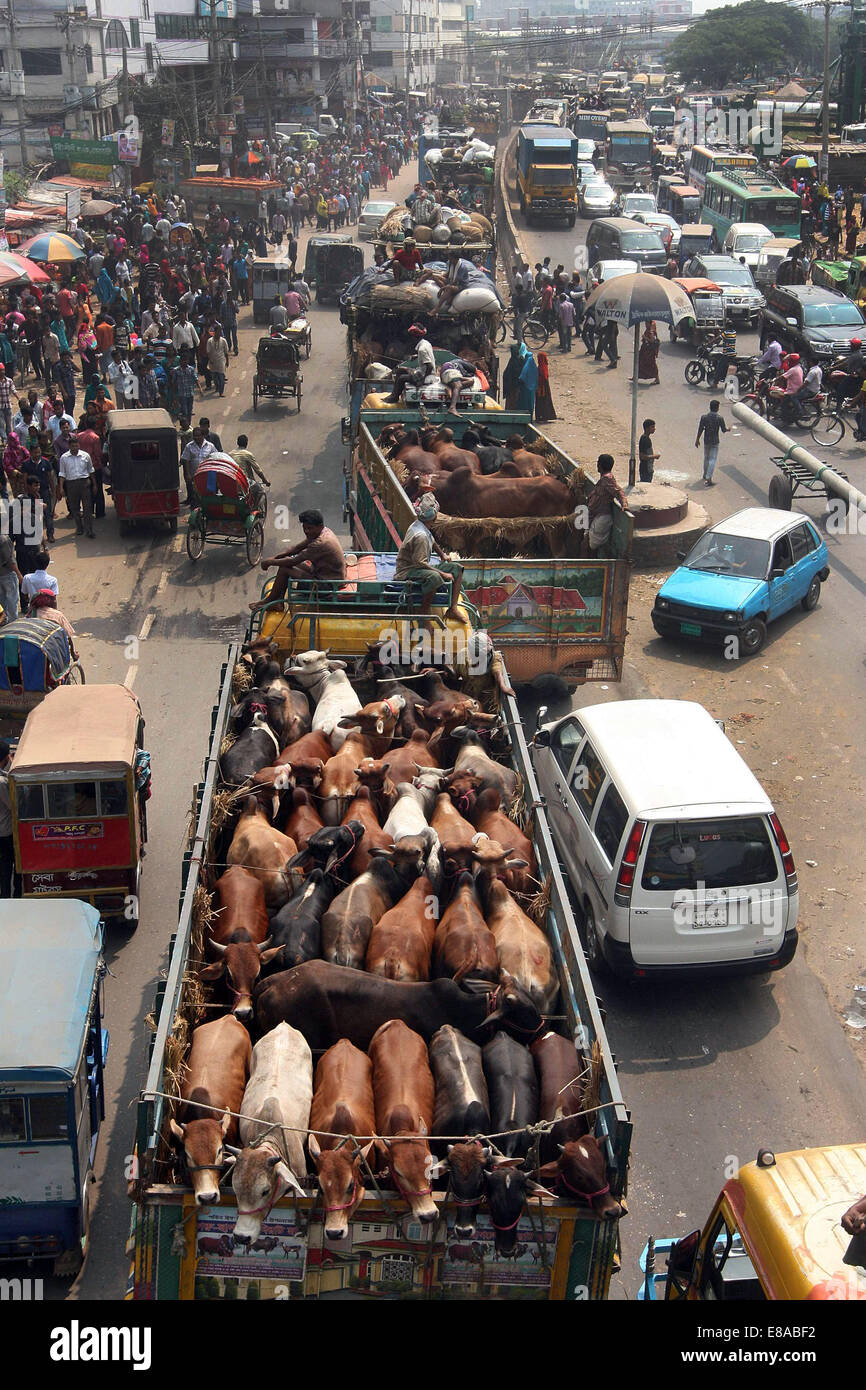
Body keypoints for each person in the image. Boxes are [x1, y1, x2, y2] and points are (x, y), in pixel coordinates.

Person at [250, 508, 346, 611]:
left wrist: (269, 562)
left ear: (320, 526)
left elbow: (294, 561)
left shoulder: (320, 543)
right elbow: (297, 548)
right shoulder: (323, 532)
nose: (306, 531)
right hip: (321, 574)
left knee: (284, 569)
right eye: (304, 528)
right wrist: (277, 557)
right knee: (285, 561)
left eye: (309, 528)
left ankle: (270, 600)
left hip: (327, 586)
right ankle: (277, 602)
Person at [394, 493, 464, 619]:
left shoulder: (421, 525)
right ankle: (424, 613)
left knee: (457, 568)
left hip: (417, 566)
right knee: (435, 577)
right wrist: (443, 574)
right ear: (435, 517)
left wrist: (442, 555)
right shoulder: (420, 536)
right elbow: (420, 563)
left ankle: (452, 608)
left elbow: (432, 539)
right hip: (408, 570)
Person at [584, 454, 627, 556]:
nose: (597, 465)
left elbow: (618, 491)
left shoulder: (607, 479)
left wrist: (624, 504)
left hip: (601, 517)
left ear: (601, 465)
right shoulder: (604, 478)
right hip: (595, 516)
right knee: (586, 543)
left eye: (598, 463)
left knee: (588, 546)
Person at [385, 324, 436, 402]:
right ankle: (394, 394)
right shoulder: (426, 343)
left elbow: (430, 366)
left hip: (427, 377)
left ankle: (394, 398)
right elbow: (427, 356)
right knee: (400, 370)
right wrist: (417, 356)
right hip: (423, 372)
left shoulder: (422, 349)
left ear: (415, 337)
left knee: (402, 378)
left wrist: (422, 380)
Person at [58, 434, 96, 536]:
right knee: (75, 508)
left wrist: (95, 484)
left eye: (76, 445)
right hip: (71, 484)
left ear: (79, 445)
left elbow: (91, 471)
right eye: (73, 446)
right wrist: (61, 487)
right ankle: (79, 527)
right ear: (69, 446)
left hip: (84, 483)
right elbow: (62, 473)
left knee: (87, 508)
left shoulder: (85, 456)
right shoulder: (64, 458)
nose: (75, 448)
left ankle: (89, 530)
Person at [0, 738, 19, 897]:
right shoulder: (1, 782)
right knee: (12, 866)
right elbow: (13, 806)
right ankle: (11, 897)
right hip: (5, 832)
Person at [231, 434, 270, 510]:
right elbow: (257, 470)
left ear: (237, 443)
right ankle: (254, 508)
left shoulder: (230, 454)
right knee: (260, 490)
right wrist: (265, 481)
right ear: (246, 443)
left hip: (232, 480)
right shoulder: (247, 454)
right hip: (244, 481)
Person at [695, 399, 728, 486]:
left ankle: (705, 474)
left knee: (706, 458)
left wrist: (697, 439)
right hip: (715, 441)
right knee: (712, 459)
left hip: (706, 440)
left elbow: (700, 428)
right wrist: (728, 429)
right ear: (717, 408)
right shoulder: (720, 418)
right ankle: (709, 478)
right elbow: (724, 430)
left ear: (710, 407)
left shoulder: (704, 417)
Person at [180, 426, 216, 503]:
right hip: (195, 476)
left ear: (203, 436)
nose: (196, 437)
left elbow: (215, 458)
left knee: (209, 496)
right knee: (196, 496)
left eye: (198, 435)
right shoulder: (189, 446)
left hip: (208, 475)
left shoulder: (210, 446)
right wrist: (187, 474)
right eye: (195, 436)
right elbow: (186, 460)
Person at [0, 503, 22, 622]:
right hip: (7, 574)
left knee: (2, 599)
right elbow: (10, 560)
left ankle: (3, 620)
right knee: (12, 599)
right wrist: (19, 574)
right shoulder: (4, 538)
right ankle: (13, 623)